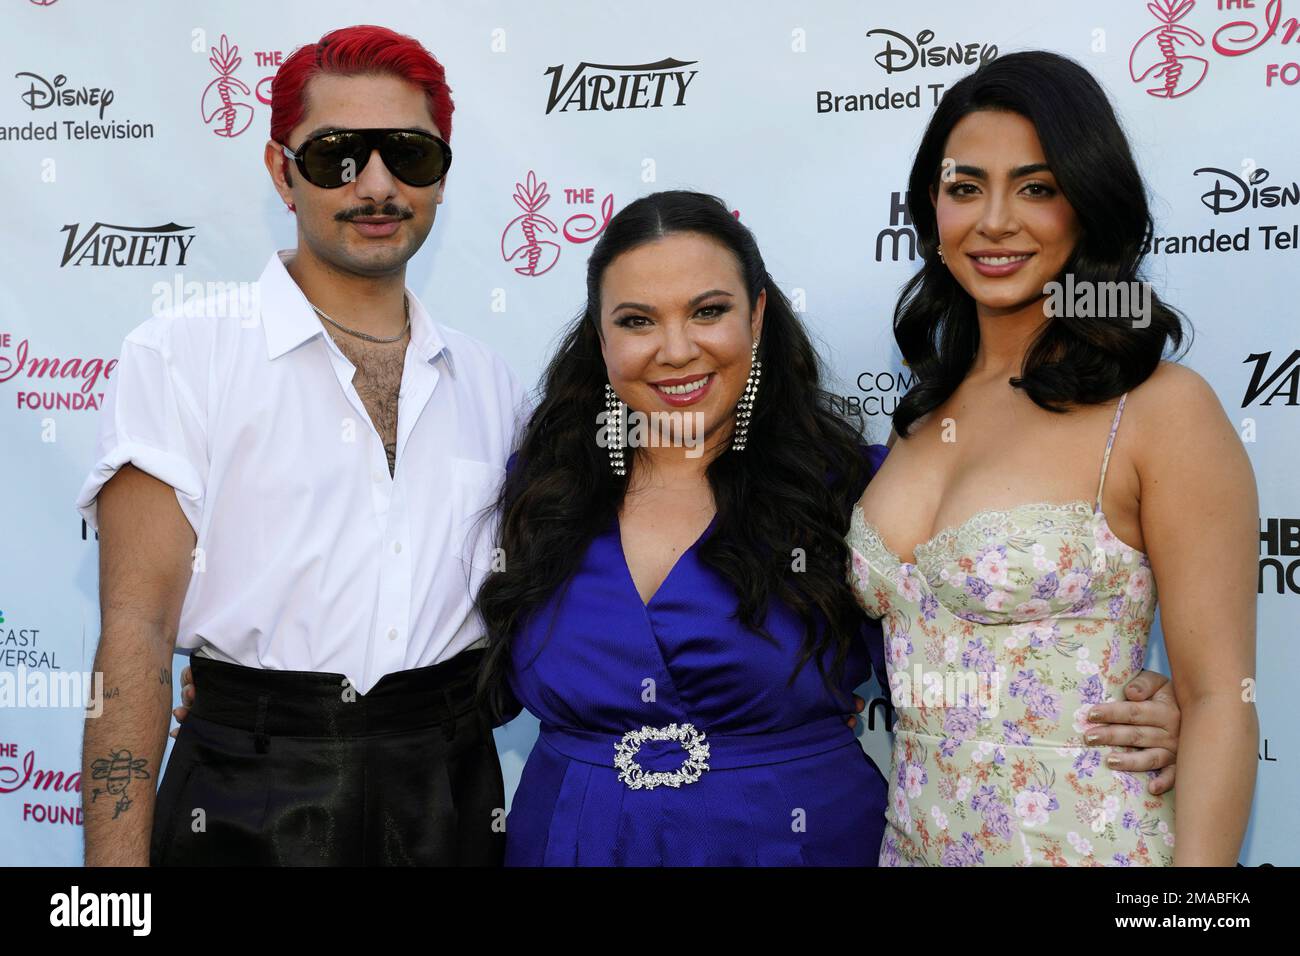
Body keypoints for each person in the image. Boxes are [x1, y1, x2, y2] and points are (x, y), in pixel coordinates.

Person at [469, 189, 1182, 866]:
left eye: (707, 310)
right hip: (570, 839)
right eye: (637, 320)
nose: (676, 349)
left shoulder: (852, 488)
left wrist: (1125, 713)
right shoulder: (539, 488)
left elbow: (967, 671)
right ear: (599, 337)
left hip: (798, 842)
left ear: (757, 315)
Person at [75, 25, 527, 866]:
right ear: (281, 171)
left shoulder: (493, 382)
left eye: (410, 156)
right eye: (335, 155)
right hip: (244, 803)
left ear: (442, 175)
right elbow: (135, 630)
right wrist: (110, 888)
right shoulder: (179, 356)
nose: (378, 185)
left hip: (450, 797)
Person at [847, 52, 1258, 866]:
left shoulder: (1158, 409)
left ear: (1089, 205)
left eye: (1036, 188)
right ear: (931, 209)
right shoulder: (924, 415)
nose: (995, 221)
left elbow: (1219, 699)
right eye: (965, 188)